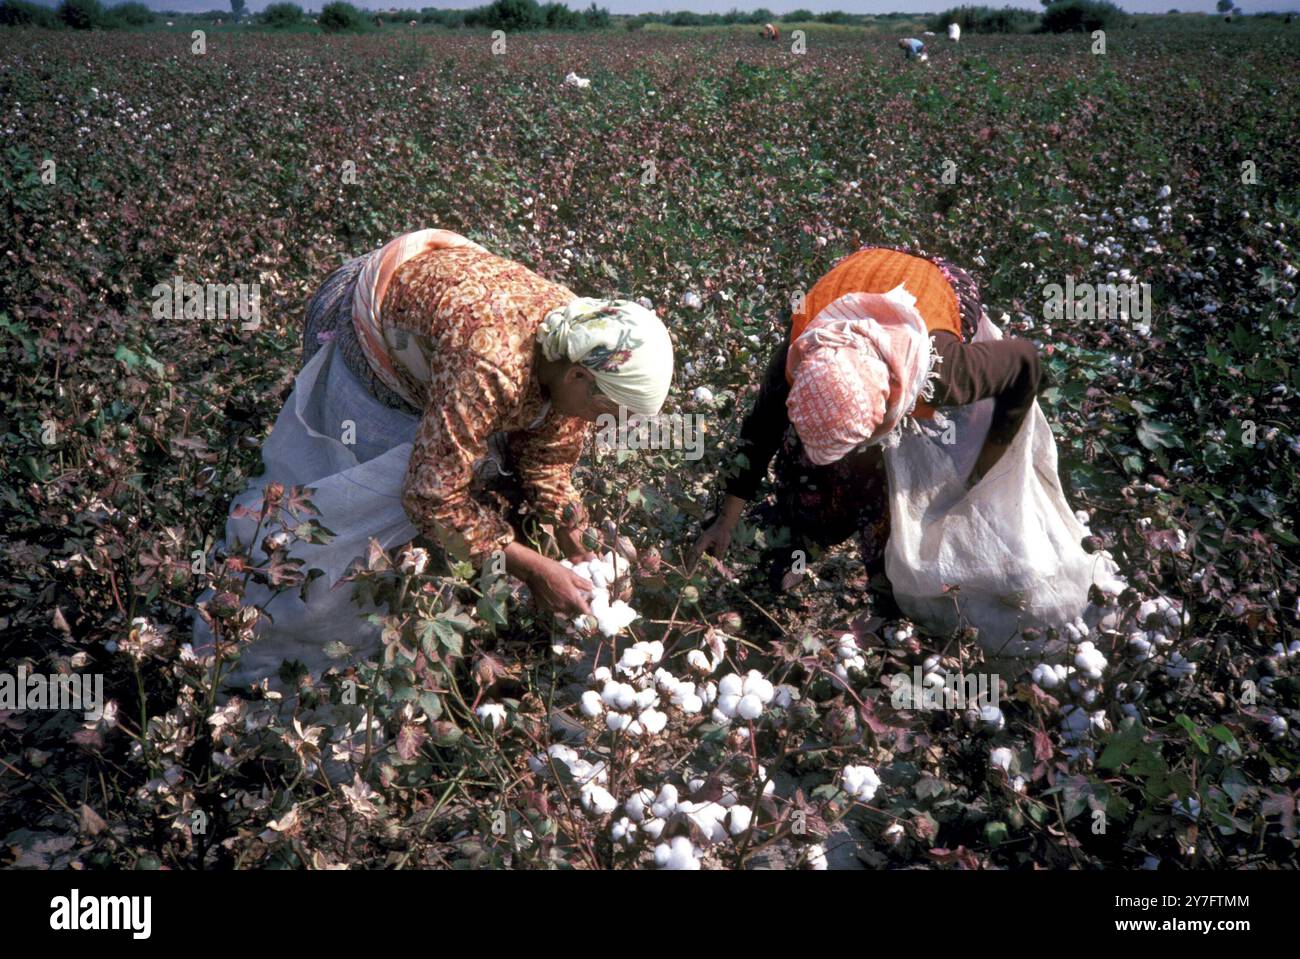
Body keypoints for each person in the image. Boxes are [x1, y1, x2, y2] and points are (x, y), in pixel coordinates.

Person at [197, 228, 674, 687]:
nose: (602, 422)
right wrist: (533, 567)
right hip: (375, 347)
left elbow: (549, 454)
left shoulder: (579, 342)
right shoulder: (491, 365)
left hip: (447, 345)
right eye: (606, 409)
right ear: (576, 378)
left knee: (448, 481)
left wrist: (577, 542)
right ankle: (253, 636)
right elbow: (432, 496)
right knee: (341, 514)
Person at [690, 246, 1044, 597]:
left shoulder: (945, 371)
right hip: (863, 271)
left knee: (885, 486)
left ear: (888, 403)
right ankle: (799, 549)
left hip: (933, 286)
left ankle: (888, 591)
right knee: (808, 476)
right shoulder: (803, 350)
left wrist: (982, 469)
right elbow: (762, 427)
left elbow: (1027, 361)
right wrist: (725, 521)